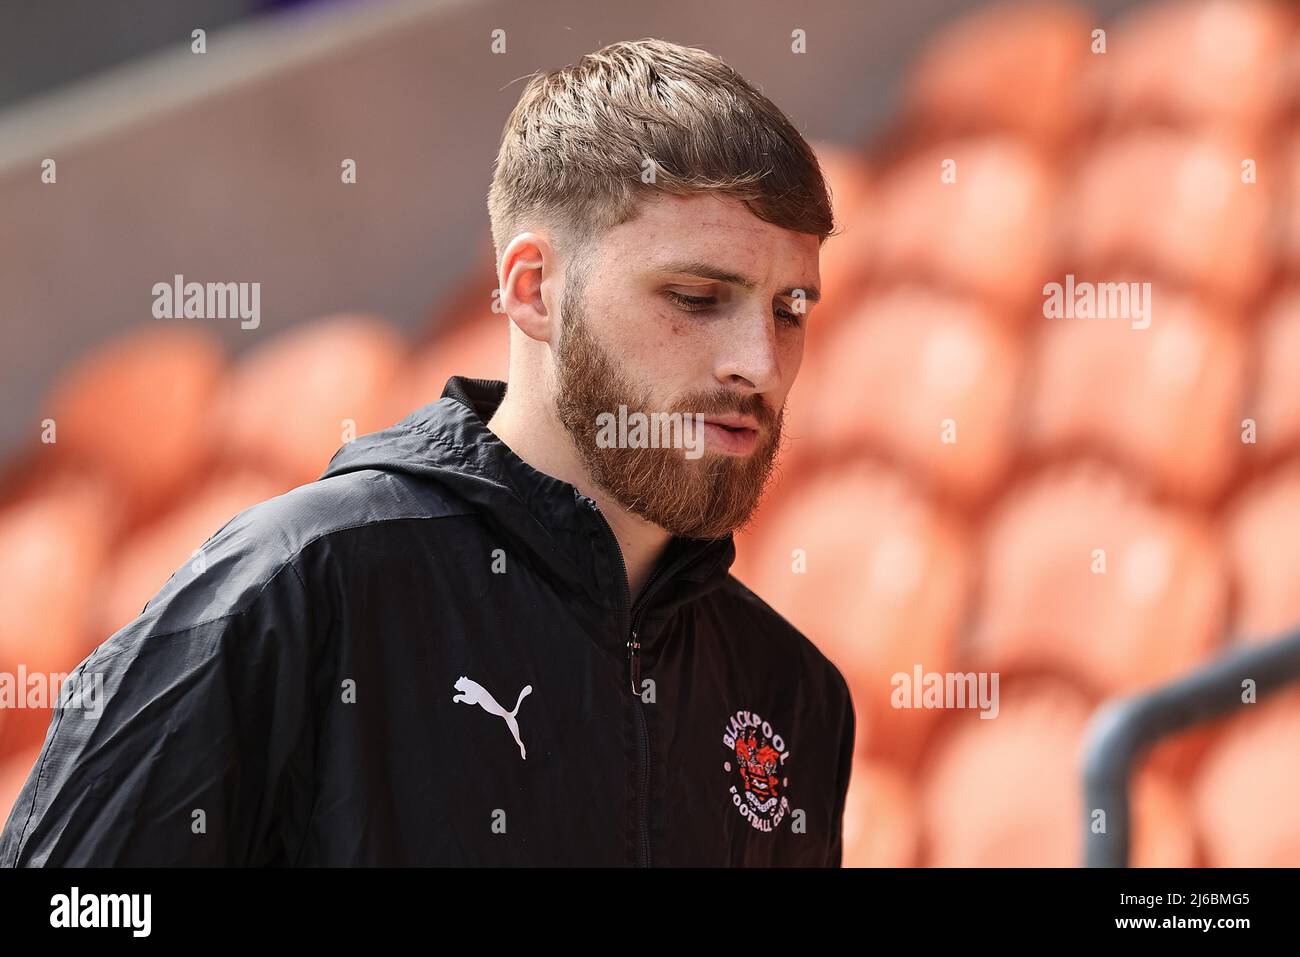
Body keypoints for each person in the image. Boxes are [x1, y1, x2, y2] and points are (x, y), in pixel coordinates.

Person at [1, 37, 854, 867]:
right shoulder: (297, 589)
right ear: (533, 289)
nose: (761, 360)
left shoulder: (792, 695)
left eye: (791, 307)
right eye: (700, 296)